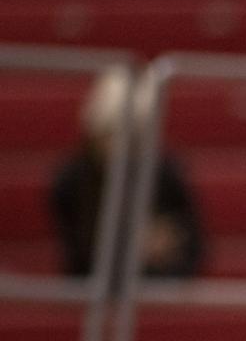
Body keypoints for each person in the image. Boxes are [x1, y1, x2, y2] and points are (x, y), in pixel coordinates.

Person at [50, 66, 204, 278]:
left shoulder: (165, 172)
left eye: (133, 139)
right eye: (110, 134)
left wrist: (166, 251)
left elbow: (195, 250)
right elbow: (77, 260)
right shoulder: (71, 180)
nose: (120, 149)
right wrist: (130, 247)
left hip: (159, 291)